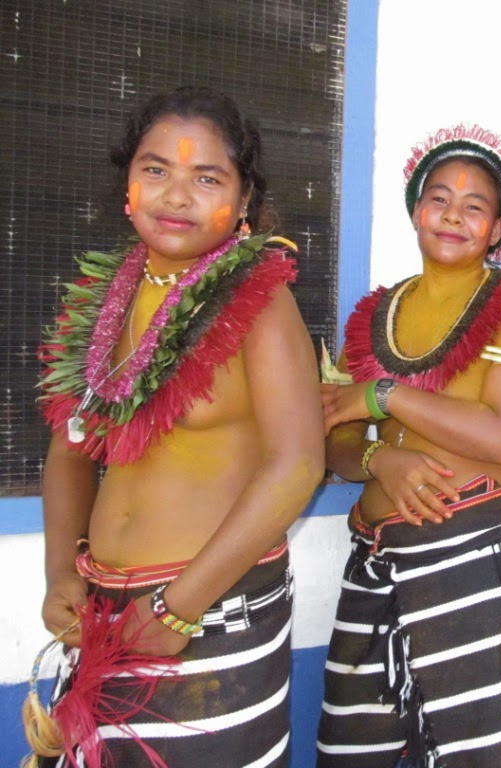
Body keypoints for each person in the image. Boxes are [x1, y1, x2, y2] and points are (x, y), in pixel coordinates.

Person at [34, 86, 324, 766]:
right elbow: (70, 448)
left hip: (212, 618)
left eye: (207, 178)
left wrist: (175, 609)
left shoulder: (261, 301)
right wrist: (59, 574)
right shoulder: (106, 300)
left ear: (245, 200)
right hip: (105, 619)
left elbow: (299, 465)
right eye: (155, 169)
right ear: (127, 182)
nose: (176, 193)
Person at [316, 125, 501, 768]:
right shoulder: (376, 312)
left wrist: (384, 397)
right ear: (415, 210)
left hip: (471, 557)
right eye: (439, 198)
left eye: (474, 205)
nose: (454, 215)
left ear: (498, 226)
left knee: (465, 753)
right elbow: (334, 432)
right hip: (374, 558)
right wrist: (377, 459)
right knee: (352, 747)